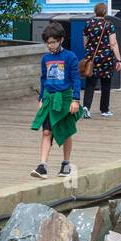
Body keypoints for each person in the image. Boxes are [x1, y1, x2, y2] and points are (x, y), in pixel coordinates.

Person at [31, 21, 82, 177]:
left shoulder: (70, 57)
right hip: (49, 99)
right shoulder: (45, 58)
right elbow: (43, 78)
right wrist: (41, 97)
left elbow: (76, 79)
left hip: (65, 98)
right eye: (48, 43)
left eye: (53, 42)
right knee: (46, 131)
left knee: (66, 132)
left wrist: (76, 99)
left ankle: (66, 164)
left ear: (61, 40)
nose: (50, 45)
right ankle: (42, 166)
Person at [81, 2, 121, 118]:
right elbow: (113, 43)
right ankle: (104, 109)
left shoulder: (87, 24)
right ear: (105, 12)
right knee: (106, 83)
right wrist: (118, 60)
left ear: (95, 11)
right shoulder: (109, 24)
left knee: (90, 83)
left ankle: (86, 107)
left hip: (92, 58)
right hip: (106, 58)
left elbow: (85, 43)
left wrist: (90, 52)